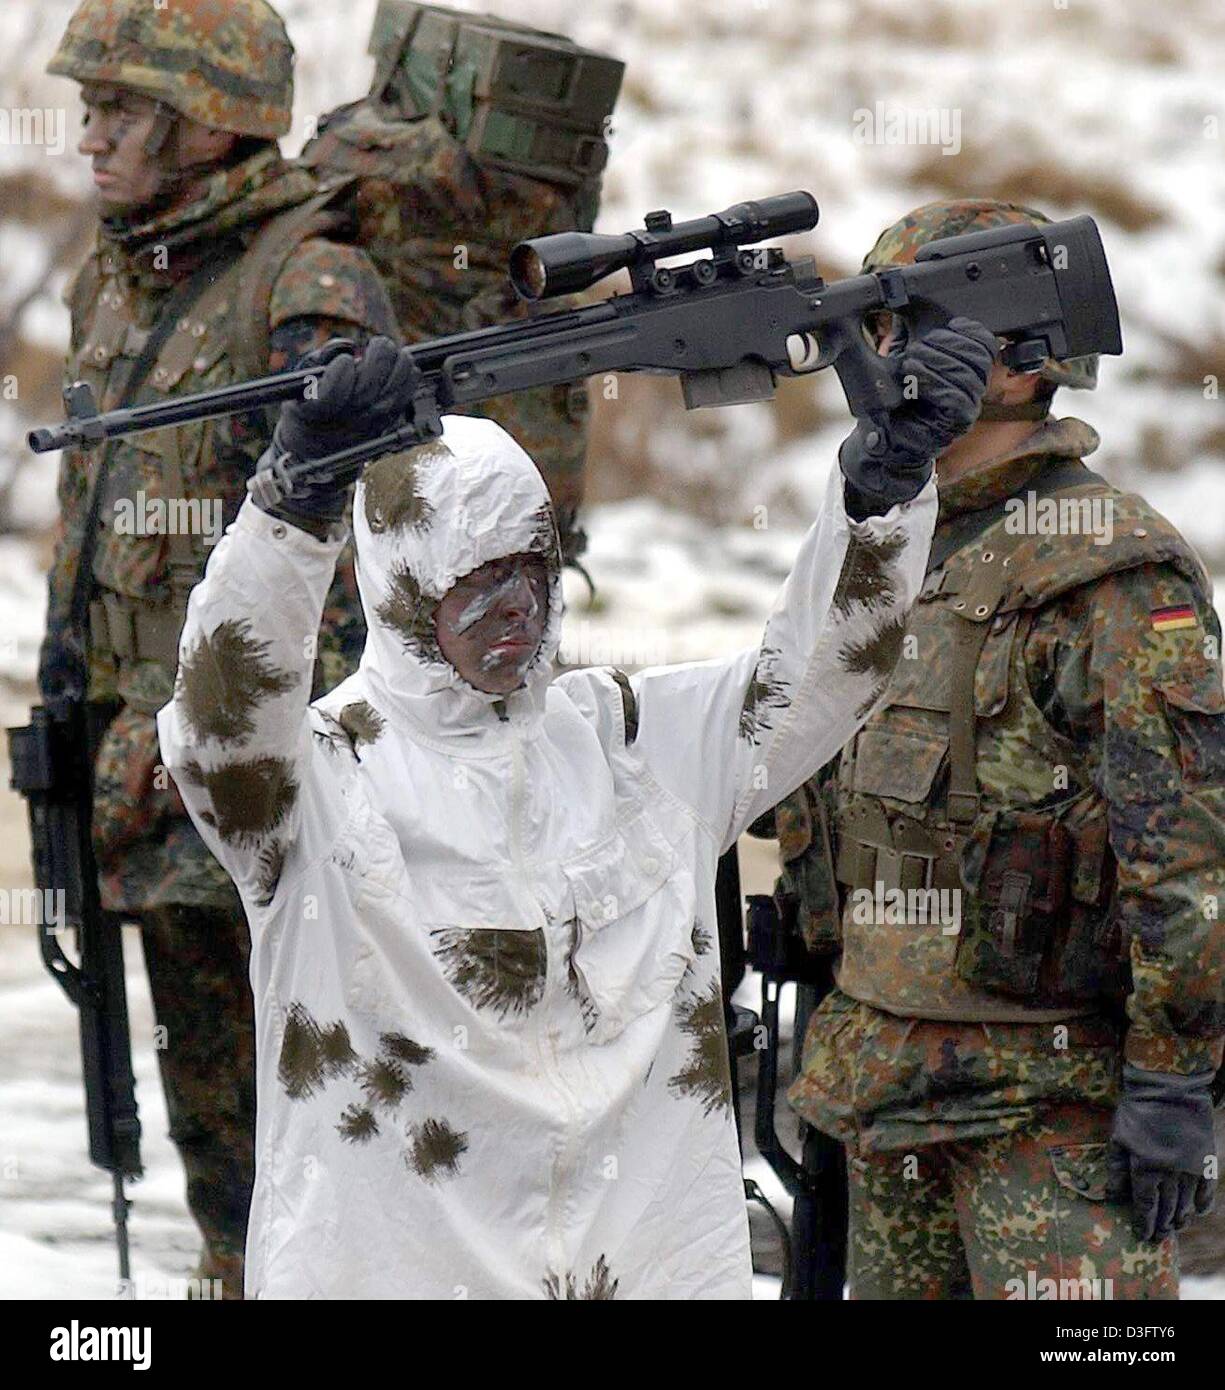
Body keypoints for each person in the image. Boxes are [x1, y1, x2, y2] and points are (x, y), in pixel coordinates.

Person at [155, 314, 997, 1296]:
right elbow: (221, 726)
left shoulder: (631, 743)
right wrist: (288, 512)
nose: (515, 606)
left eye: (530, 570)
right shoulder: (320, 783)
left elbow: (813, 679)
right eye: (474, 580)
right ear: (391, 587)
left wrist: (880, 495)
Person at [767, 199, 1225, 1300]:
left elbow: (1188, 864)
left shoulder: (1107, 575)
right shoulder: (881, 542)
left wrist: (1172, 1081)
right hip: (881, 1094)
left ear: (1018, 368)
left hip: (1047, 1115)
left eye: (899, 334)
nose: (873, 365)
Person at [39, 0, 399, 1295]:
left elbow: (351, 571)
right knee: (219, 1152)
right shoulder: (123, 271)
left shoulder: (307, 283)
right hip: (142, 780)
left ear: (208, 123)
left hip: (250, 788)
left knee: (297, 1148)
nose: (88, 134)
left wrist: (172, 721)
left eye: (118, 108)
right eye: (85, 107)